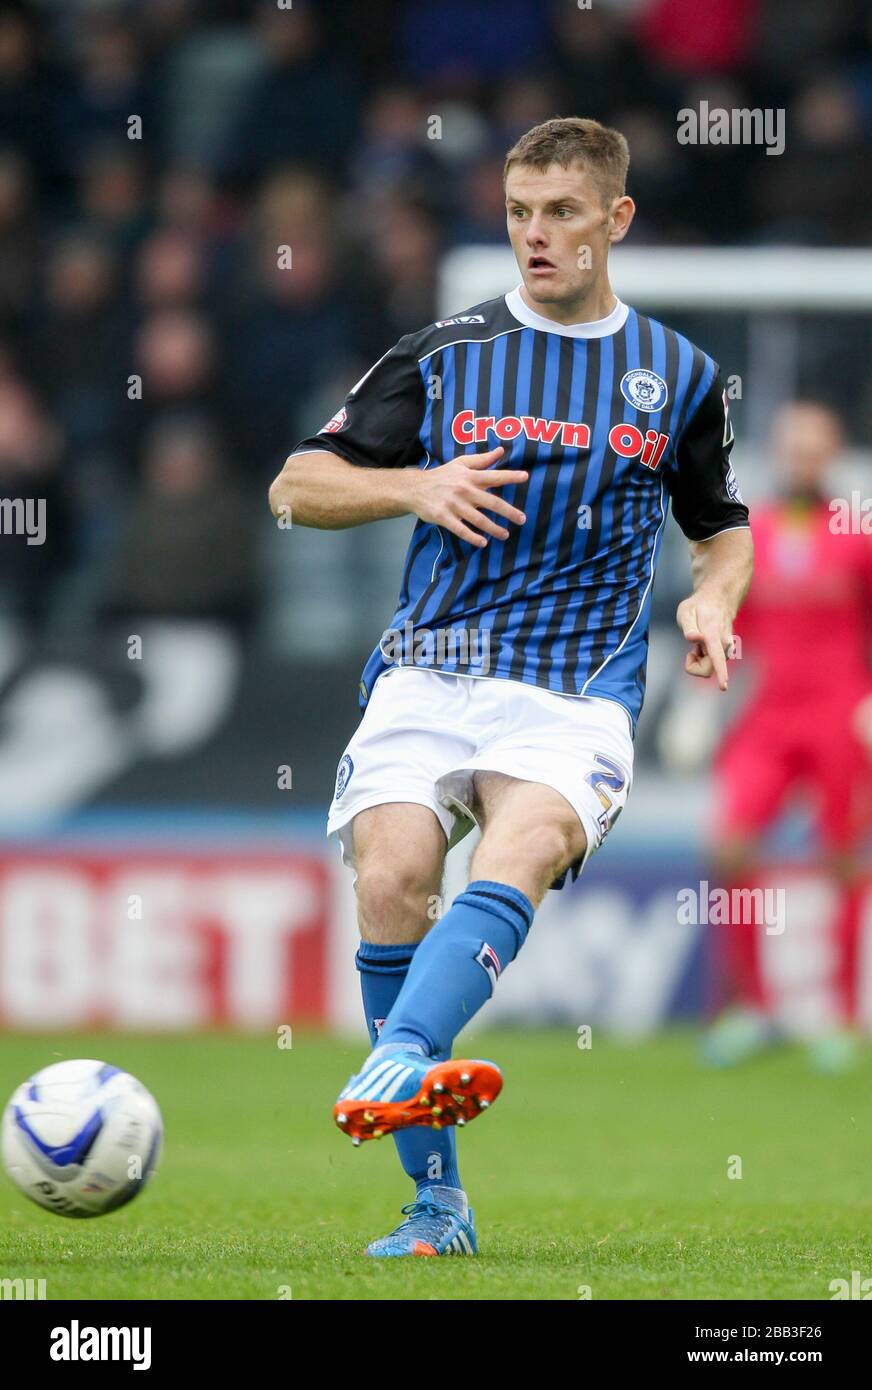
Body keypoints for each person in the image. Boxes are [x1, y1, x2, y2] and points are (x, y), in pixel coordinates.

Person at [269, 117, 753, 1258]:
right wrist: (414, 488)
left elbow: (719, 527)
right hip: (429, 669)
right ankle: (436, 1204)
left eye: (562, 213)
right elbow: (295, 485)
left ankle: (402, 1053)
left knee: (521, 846)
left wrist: (713, 600)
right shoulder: (443, 353)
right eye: (519, 213)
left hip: (573, 686)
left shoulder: (679, 377)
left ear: (615, 219)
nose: (535, 235)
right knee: (394, 878)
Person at [703, 401, 872, 1071]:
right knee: (729, 847)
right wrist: (701, 695)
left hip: (841, 714)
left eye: (815, 448)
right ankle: (754, 1007)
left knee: (844, 858)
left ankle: (839, 1017)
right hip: (768, 717)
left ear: (833, 456)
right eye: (793, 447)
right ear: (777, 453)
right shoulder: (753, 533)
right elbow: (726, 618)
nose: (803, 460)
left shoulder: (858, 533)